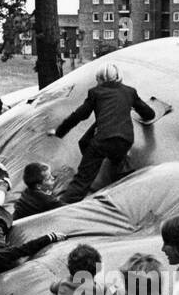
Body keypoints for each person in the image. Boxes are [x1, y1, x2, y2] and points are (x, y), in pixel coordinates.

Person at [50, 63, 156, 204]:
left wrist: (59, 131)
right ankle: (125, 190)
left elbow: (79, 115)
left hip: (103, 140)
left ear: (101, 79)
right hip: (125, 140)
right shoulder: (130, 92)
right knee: (116, 156)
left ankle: (62, 206)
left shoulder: (96, 92)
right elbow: (149, 113)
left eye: (97, 79)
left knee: (82, 180)